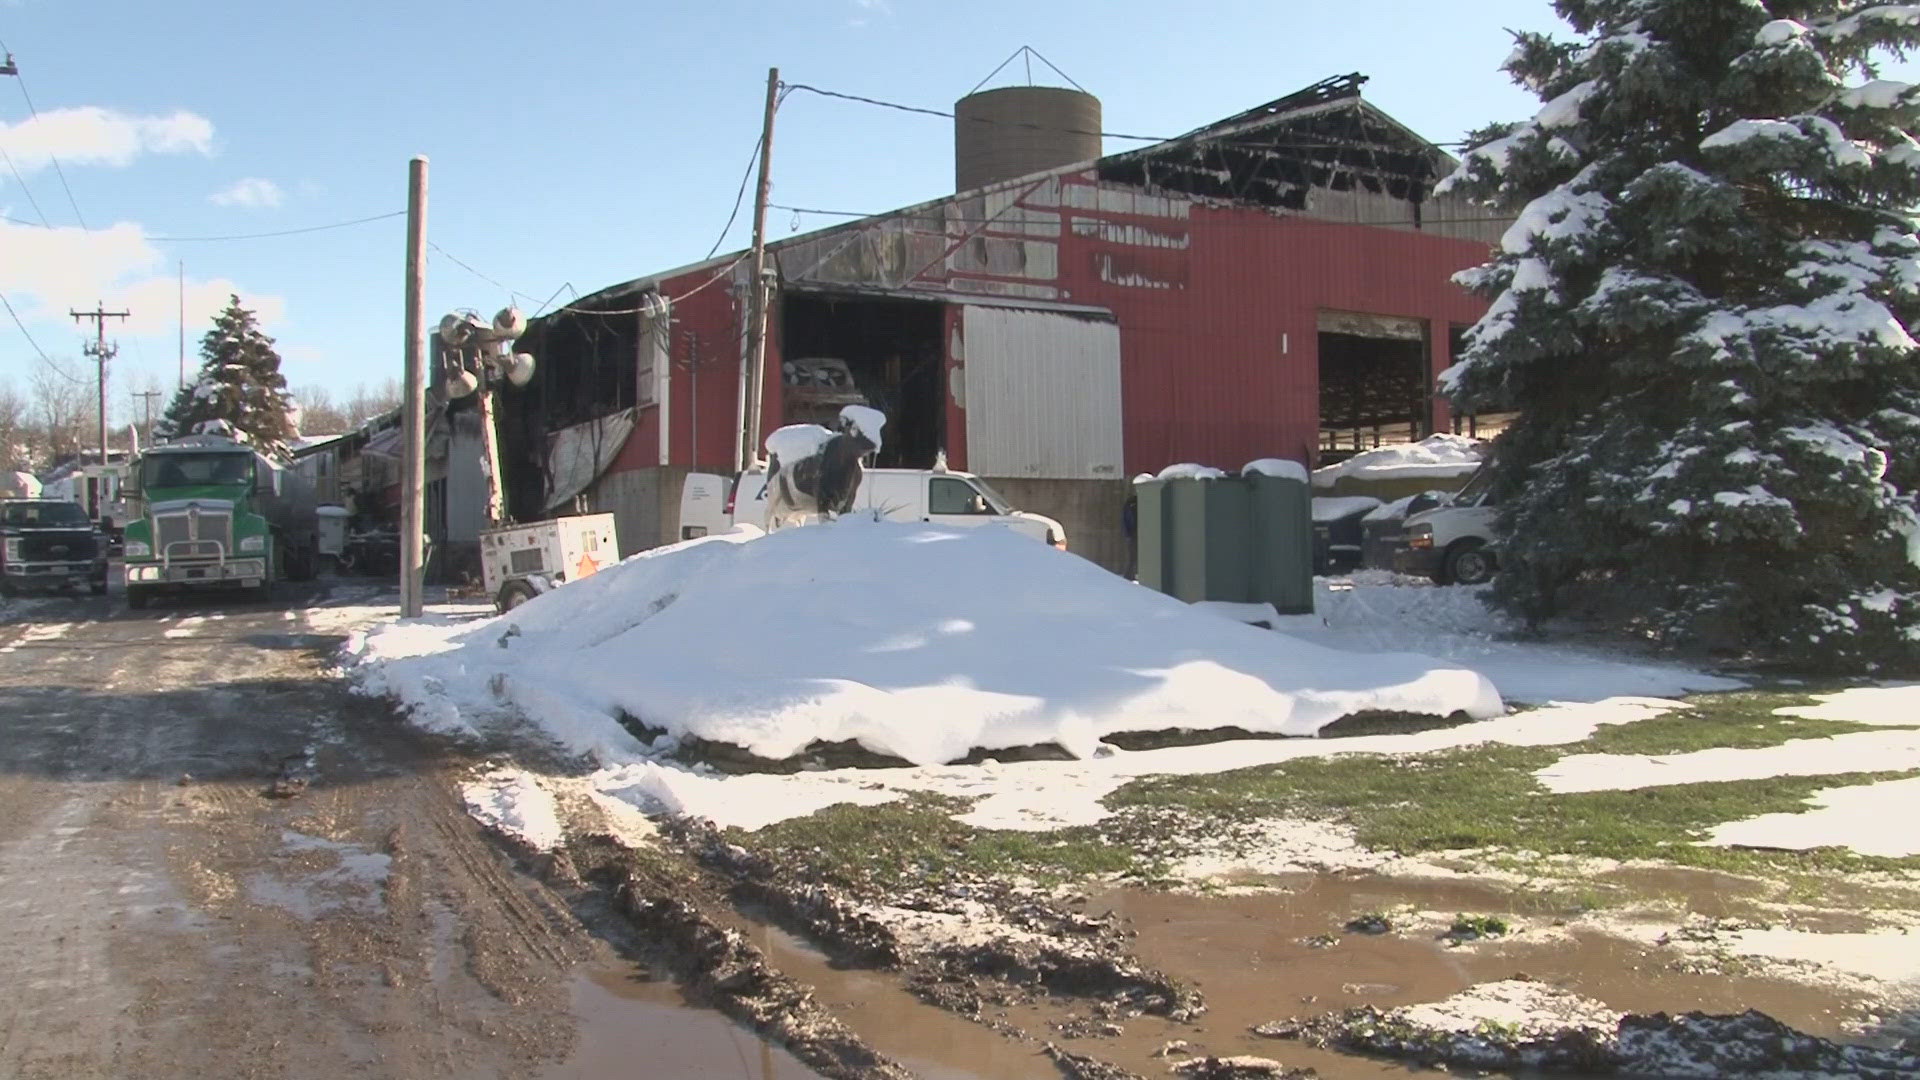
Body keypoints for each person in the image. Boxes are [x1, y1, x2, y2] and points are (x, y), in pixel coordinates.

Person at [1121, 491, 1138, 580]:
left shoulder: (1129, 504)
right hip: (1133, 533)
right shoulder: (1132, 504)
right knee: (1133, 557)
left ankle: (1129, 576)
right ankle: (1129, 576)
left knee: (1133, 557)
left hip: (1132, 533)